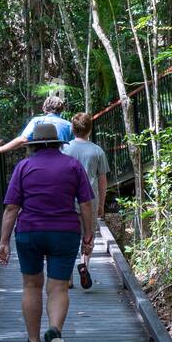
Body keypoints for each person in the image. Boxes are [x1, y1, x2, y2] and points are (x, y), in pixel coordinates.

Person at [0, 121, 95, 342]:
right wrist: (88, 235)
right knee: (59, 287)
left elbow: (11, 207)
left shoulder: (23, 166)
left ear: (35, 145)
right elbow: (85, 205)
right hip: (65, 232)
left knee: (31, 285)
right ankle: (55, 332)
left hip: (30, 232)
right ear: (58, 143)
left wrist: (4, 242)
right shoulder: (73, 165)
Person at [61, 112, 109, 289]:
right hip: (90, 199)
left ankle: (67, 278)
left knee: (68, 237)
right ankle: (84, 266)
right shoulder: (97, 151)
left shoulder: (64, 149)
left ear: (72, 129)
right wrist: (102, 205)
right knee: (88, 236)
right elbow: (102, 180)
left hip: (67, 199)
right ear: (90, 129)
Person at [0, 95, 74, 156]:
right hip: (62, 163)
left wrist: (1, 149)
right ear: (61, 110)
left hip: (39, 162)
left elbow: (23, 139)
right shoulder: (69, 125)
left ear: (44, 108)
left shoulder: (37, 121)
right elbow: (74, 145)